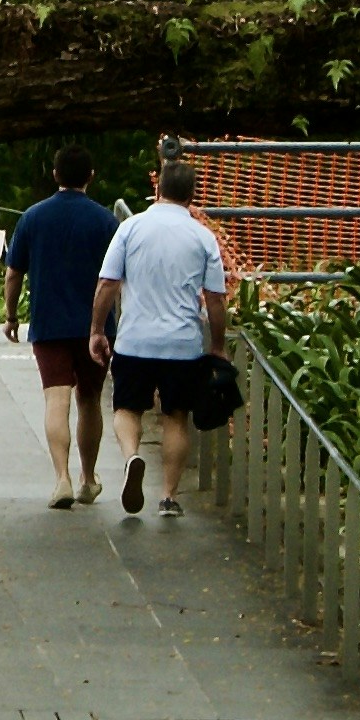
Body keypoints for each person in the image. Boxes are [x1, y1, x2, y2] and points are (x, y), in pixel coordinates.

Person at [90, 142, 234, 518]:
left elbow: (107, 283)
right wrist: (217, 345)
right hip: (182, 344)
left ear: (158, 189)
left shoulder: (131, 227)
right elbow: (216, 299)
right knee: (175, 417)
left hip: (135, 338)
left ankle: (131, 456)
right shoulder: (203, 237)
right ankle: (169, 496)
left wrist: (96, 330)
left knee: (126, 407)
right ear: (192, 195)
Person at [0, 144, 123, 507]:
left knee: (56, 400)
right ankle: (87, 478)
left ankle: (62, 479)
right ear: (91, 176)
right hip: (95, 327)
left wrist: (11, 316)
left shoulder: (33, 217)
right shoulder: (105, 221)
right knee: (89, 401)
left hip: (49, 323)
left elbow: (12, 274)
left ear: (55, 175)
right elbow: (115, 279)